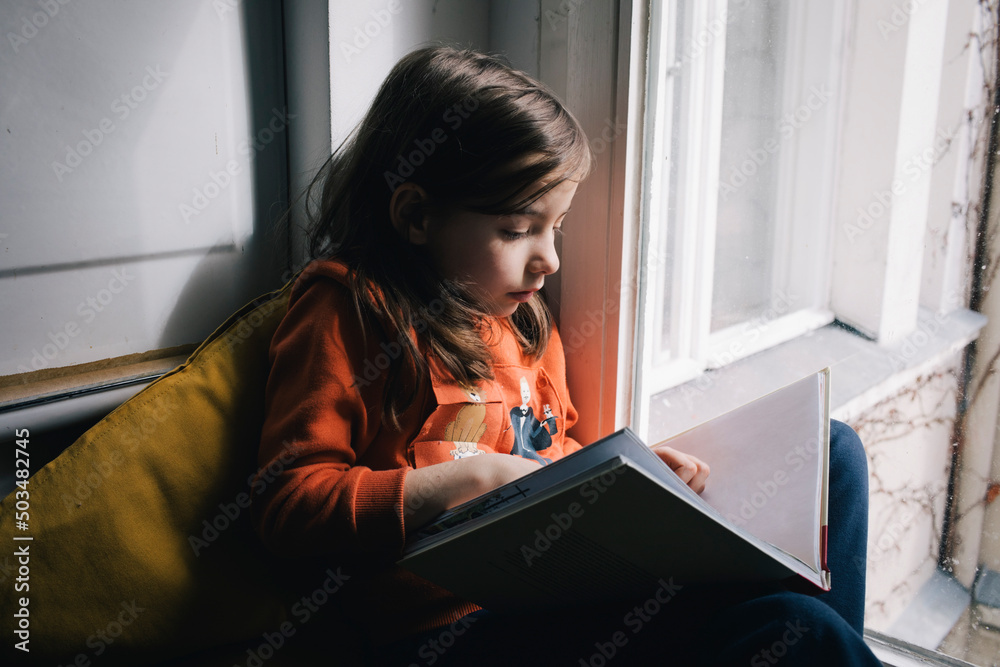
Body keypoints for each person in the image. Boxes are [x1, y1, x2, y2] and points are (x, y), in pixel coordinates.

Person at [252, 45, 881, 666]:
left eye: (556, 227)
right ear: (417, 216)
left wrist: (629, 478)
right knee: (792, 628)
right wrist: (468, 480)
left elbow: (546, 453)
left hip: (560, 600)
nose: (549, 259)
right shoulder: (347, 311)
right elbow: (288, 507)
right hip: (440, 634)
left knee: (834, 456)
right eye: (518, 230)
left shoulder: (522, 322)